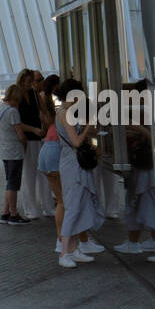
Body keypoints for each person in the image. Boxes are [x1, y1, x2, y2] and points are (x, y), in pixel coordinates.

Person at [55, 78, 105, 268]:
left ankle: (72, 250)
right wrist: (87, 129)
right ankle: (65, 253)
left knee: (76, 205)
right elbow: (76, 142)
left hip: (70, 163)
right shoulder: (66, 113)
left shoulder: (62, 112)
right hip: (73, 164)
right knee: (73, 207)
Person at [115, 80, 155, 261]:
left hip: (146, 164)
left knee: (143, 202)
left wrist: (139, 130)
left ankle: (152, 241)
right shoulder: (148, 111)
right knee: (140, 202)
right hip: (143, 163)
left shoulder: (152, 112)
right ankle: (139, 241)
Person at [38, 74, 66, 250]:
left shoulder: (58, 113)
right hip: (54, 152)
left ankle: (62, 240)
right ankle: (64, 242)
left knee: (61, 200)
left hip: (46, 151)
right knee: (64, 201)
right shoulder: (63, 114)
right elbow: (75, 141)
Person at [15, 69, 46, 219]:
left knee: (41, 172)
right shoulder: (17, 96)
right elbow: (16, 122)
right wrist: (33, 128)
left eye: (31, 82)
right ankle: (30, 208)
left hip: (37, 136)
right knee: (29, 175)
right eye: (27, 82)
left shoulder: (34, 94)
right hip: (26, 138)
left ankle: (45, 206)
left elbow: (43, 111)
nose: (29, 85)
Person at [0, 85, 29, 224]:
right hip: (14, 151)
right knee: (13, 184)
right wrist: (25, 146)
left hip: (4, 150)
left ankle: (5, 212)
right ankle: (14, 214)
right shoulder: (13, 112)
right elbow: (20, 134)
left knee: (9, 181)